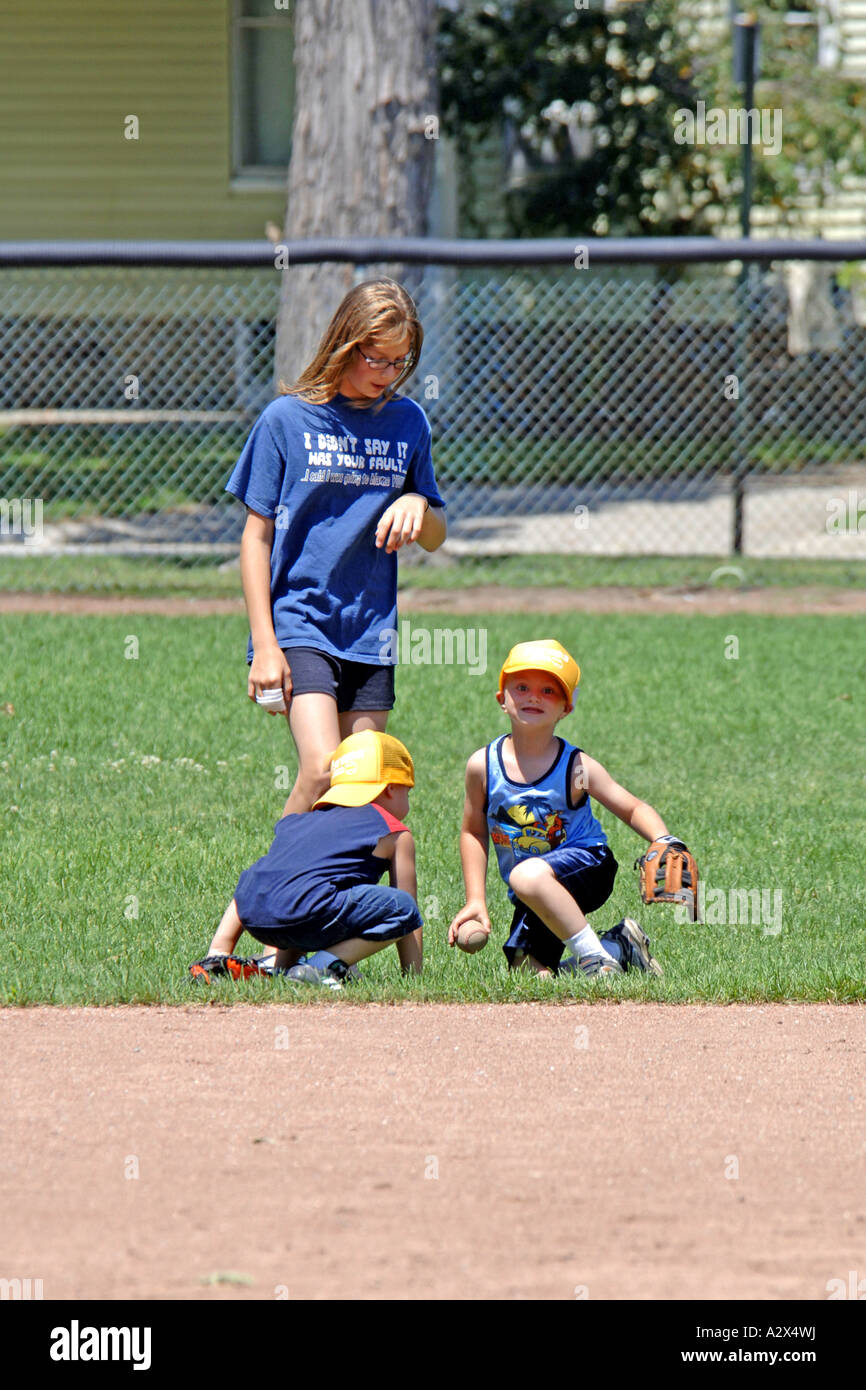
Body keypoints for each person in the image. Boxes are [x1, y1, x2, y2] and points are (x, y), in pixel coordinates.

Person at [215, 277, 446, 966]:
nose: (384, 375)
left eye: (399, 362)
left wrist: (420, 515)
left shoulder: (408, 423)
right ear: (344, 344)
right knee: (321, 769)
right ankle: (234, 930)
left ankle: (295, 953)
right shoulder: (286, 421)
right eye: (374, 357)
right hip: (303, 624)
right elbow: (254, 538)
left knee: (364, 797)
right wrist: (264, 646)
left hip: (370, 635)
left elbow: (435, 528)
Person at [448, 639, 685, 978]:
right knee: (528, 974)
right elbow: (473, 830)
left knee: (525, 874)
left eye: (549, 690)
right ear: (502, 698)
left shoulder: (575, 766)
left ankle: (595, 960)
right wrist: (476, 899)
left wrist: (664, 840)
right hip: (533, 888)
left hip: (589, 865)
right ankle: (619, 946)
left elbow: (631, 807)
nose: (533, 696)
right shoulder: (482, 766)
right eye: (522, 686)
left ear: (566, 708)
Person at [189, 731, 423, 989]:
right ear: (390, 789)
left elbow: (268, 881)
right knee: (401, 906)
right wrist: (413, 978)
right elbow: (407, 917)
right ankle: (322, 967)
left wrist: (222, 948)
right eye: (407, 792)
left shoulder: (300, 821)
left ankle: (229, 958)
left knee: (268, 882)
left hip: (257, 914)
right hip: (310, 914)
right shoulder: (395, 832)